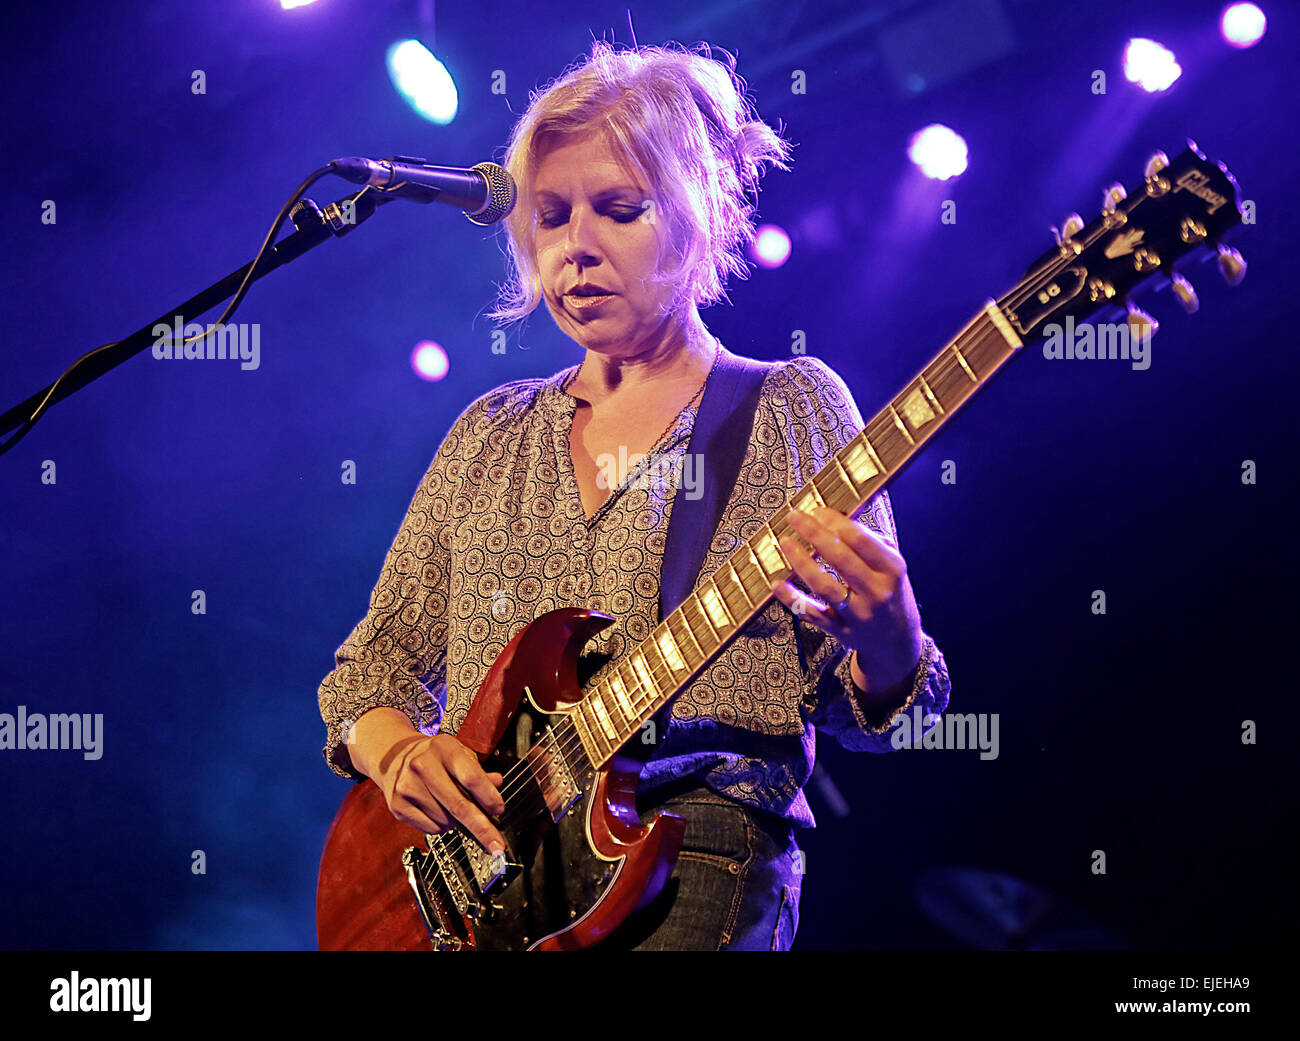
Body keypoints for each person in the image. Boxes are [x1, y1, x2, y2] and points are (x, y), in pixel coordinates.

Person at [317, 39, 950, 950]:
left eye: (618, 210)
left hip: (694, 863)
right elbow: (369, 668)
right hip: (486, 896)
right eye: (550, 216)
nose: (575, 247)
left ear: (697, 218)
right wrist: (403, 750)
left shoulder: (787, 407)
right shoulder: (491, 435)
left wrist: (891, 644)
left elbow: (882, 719)